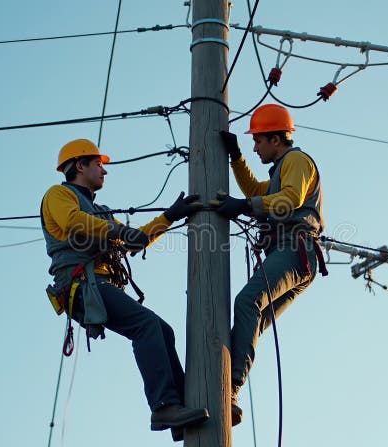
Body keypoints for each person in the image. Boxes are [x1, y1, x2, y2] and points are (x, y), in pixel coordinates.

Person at [41, 138, 208, 441]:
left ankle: (180, 408)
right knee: (145, 326)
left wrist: (170, 216)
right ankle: (163, 407)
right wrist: (118, 230)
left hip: (99, 284)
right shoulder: (59, 195)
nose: (105, 172)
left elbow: (135, 241)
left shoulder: (101, 211)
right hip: (80, 283)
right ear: (80, 165)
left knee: (161, 329)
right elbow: (73, 221)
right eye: (99, 164)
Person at [216, 104, 328, 426]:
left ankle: (231, 386)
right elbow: (255, 191)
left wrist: (245, 206)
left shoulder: (296, 161)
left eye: (258, 141)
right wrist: (236, 157)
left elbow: (290, 199)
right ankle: (231, 387)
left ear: (276, 139)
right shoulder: (282, 168)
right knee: (256, 317)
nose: (255, 147)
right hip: (296, 255)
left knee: (247, 302)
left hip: (295, 249)